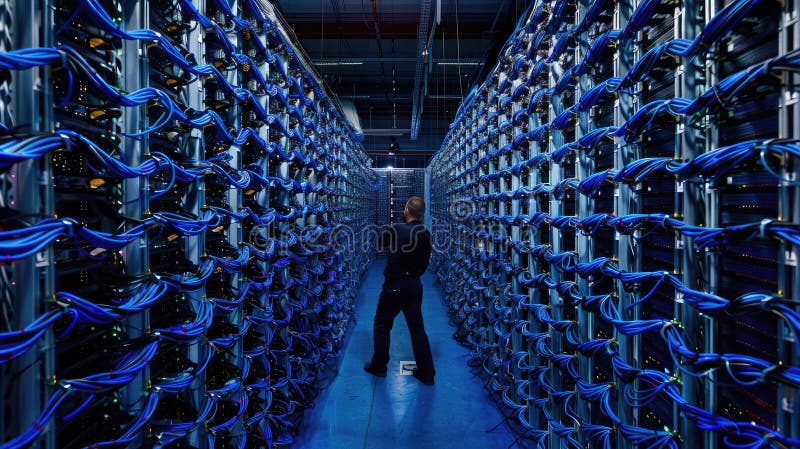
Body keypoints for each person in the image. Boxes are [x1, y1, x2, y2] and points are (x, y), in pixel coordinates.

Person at [364, 196, 435, 385]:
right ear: (422, 213)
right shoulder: (426, 233)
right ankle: (427, 374)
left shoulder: (397, 229)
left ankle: (379, 366)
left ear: (406, 211)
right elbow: (425, 261)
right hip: (414, 285)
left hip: (394, 286)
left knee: (382, 324)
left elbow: (380, 244)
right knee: (417, 330)